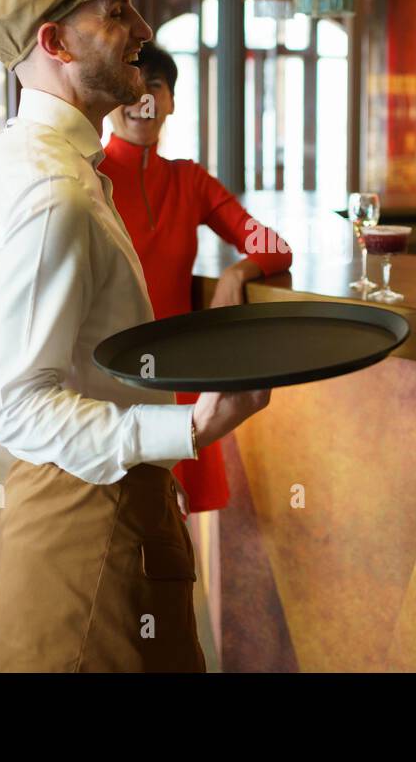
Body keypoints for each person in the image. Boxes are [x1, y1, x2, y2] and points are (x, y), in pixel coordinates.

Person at [0, 0, 270, 672]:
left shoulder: (29, 160)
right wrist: (188, 425)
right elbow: (15, 405)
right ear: (55, 41)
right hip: (83, 509)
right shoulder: (54, 190)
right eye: (117, 11)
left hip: (102, 494)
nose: (143, 29)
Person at [99, 42, 293, 514]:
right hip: (108, 373)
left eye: (156, 87)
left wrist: (237, 272)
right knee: (119, 519)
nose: (142, 100)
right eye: (131, 88)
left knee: (174, 525)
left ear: (170, 102)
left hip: (179, 372)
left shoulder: (189, 180)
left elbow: (274, 247)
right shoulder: (89, 175)